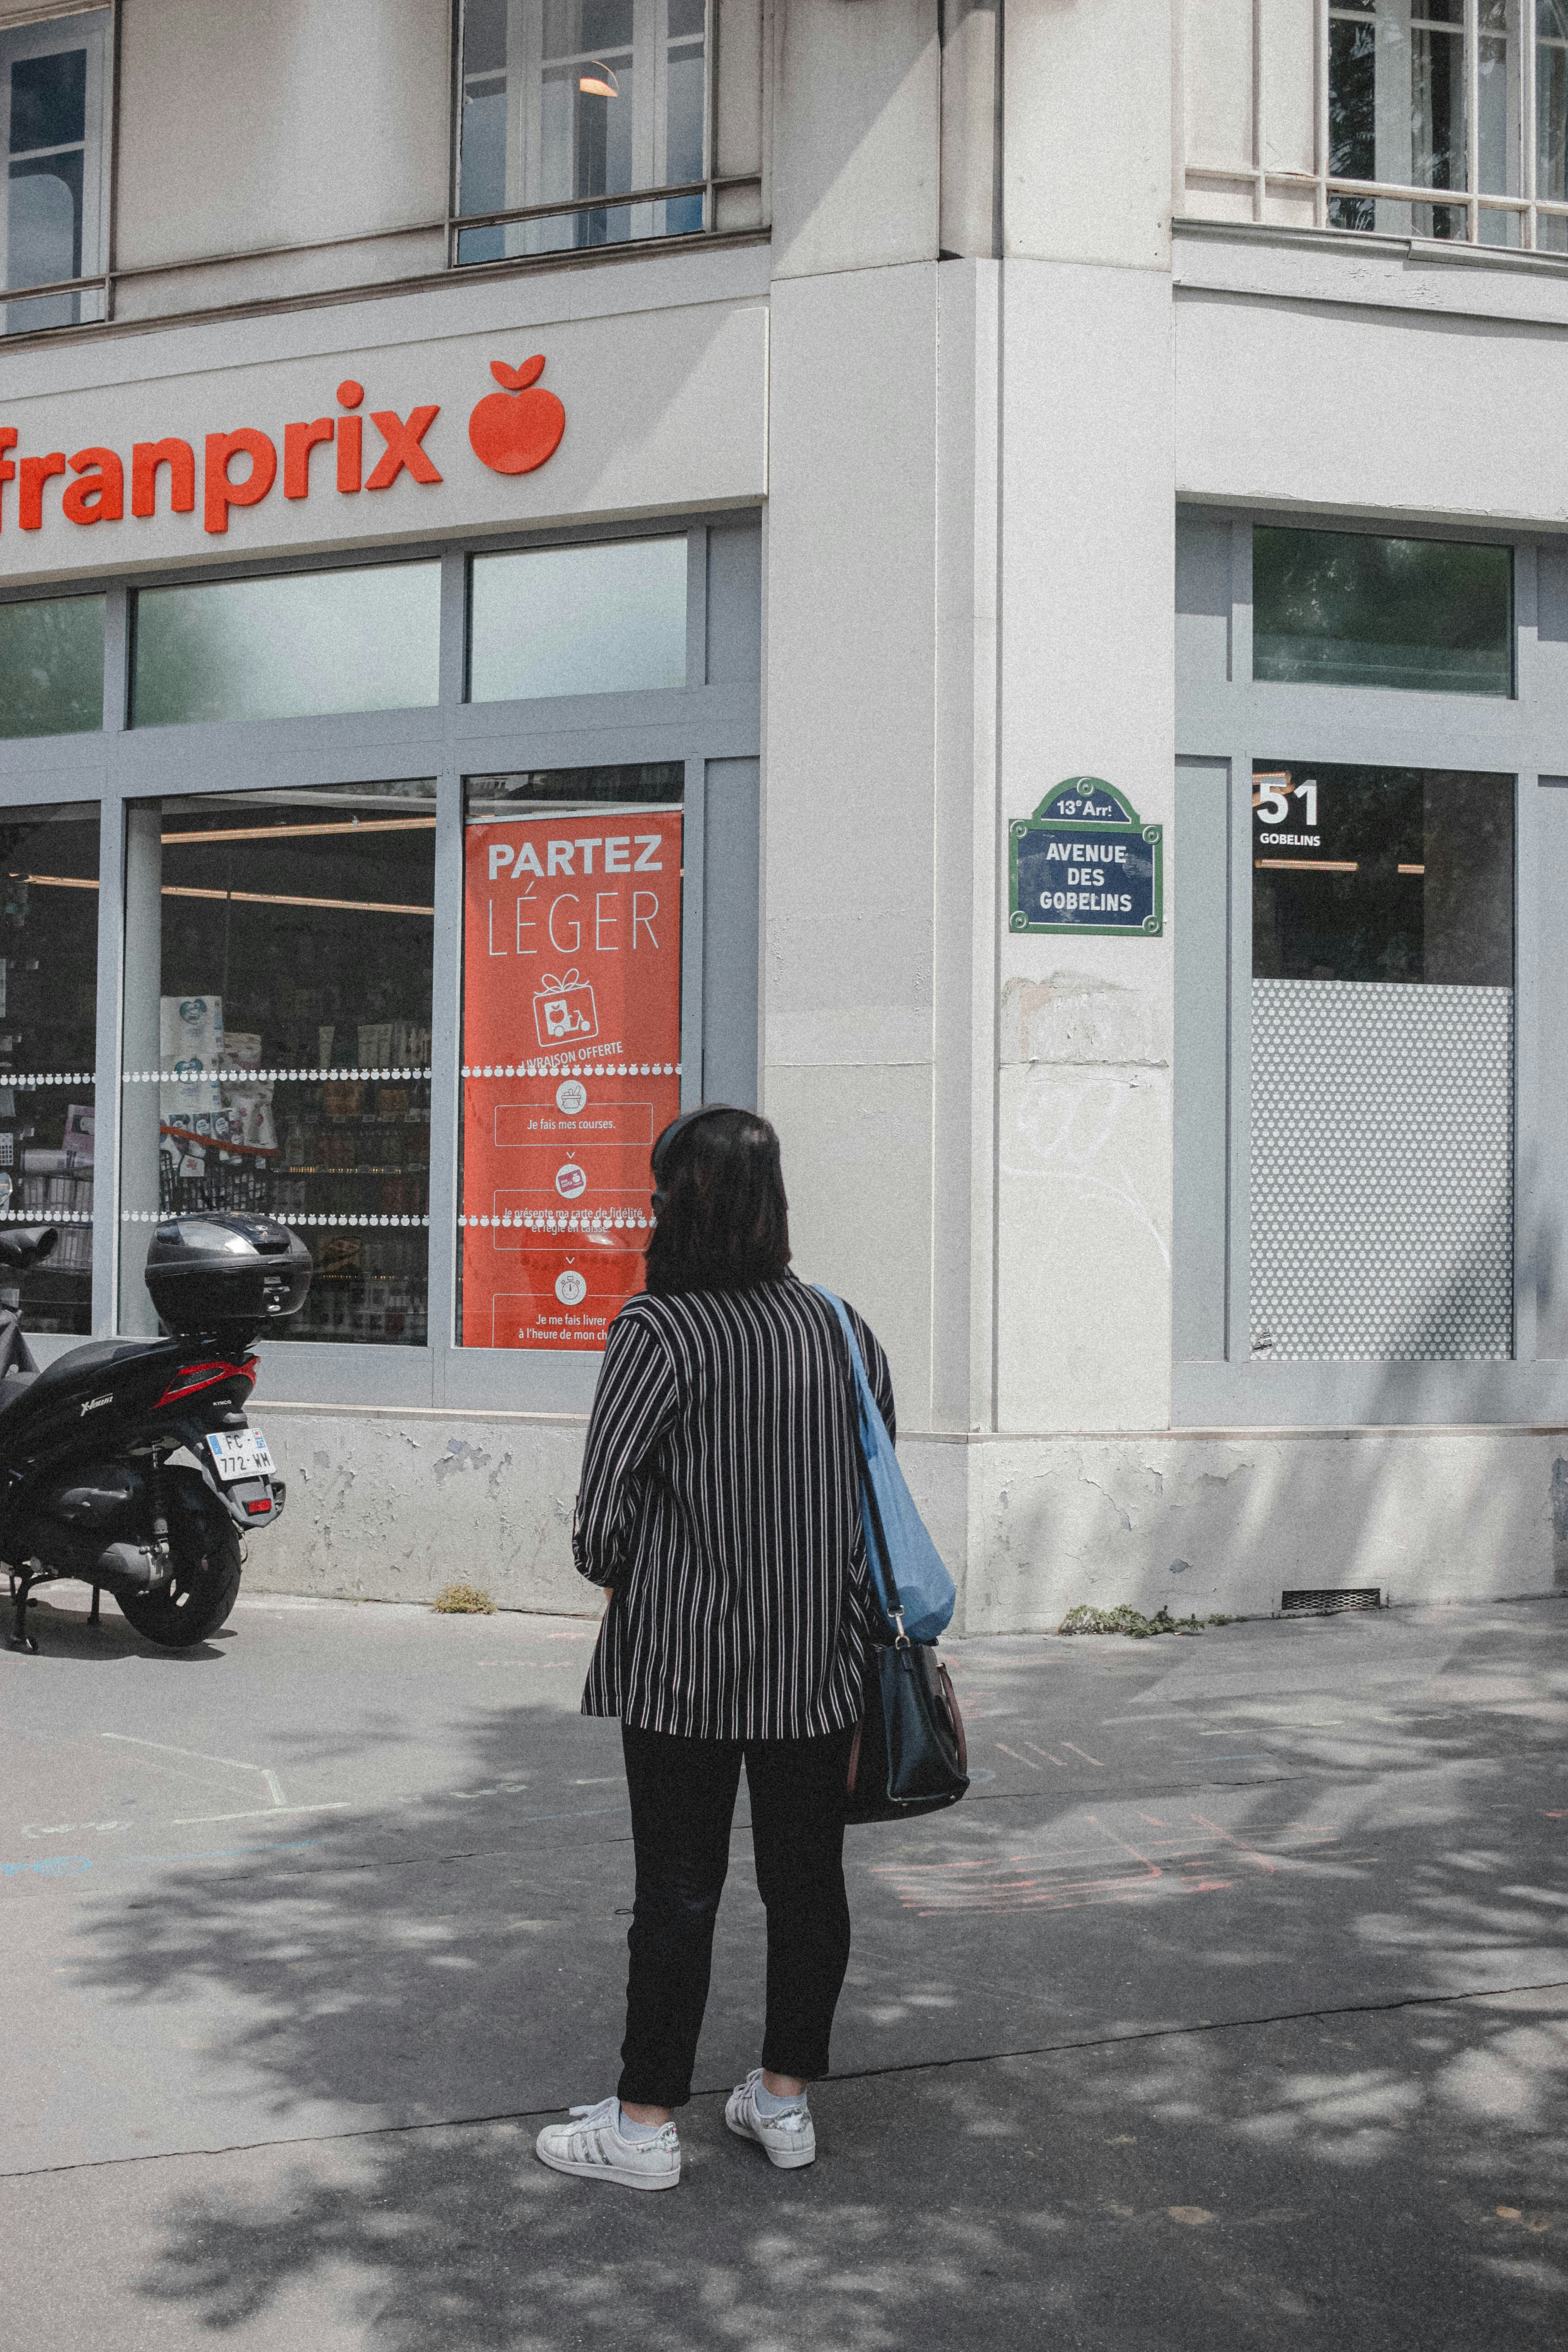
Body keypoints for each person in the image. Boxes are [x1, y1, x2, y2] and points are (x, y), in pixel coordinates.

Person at [534, 1104, 894, 2192]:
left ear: (678, 1206)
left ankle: (645, 2125)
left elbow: (602, 1526)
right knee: (807, 1885)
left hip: (682, 1671)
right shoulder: (840, 1328)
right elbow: (872, 1496)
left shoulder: (659, 1332)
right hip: (818, 1671)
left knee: (679, 1891)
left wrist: (650, 1570)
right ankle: (782, 2102)